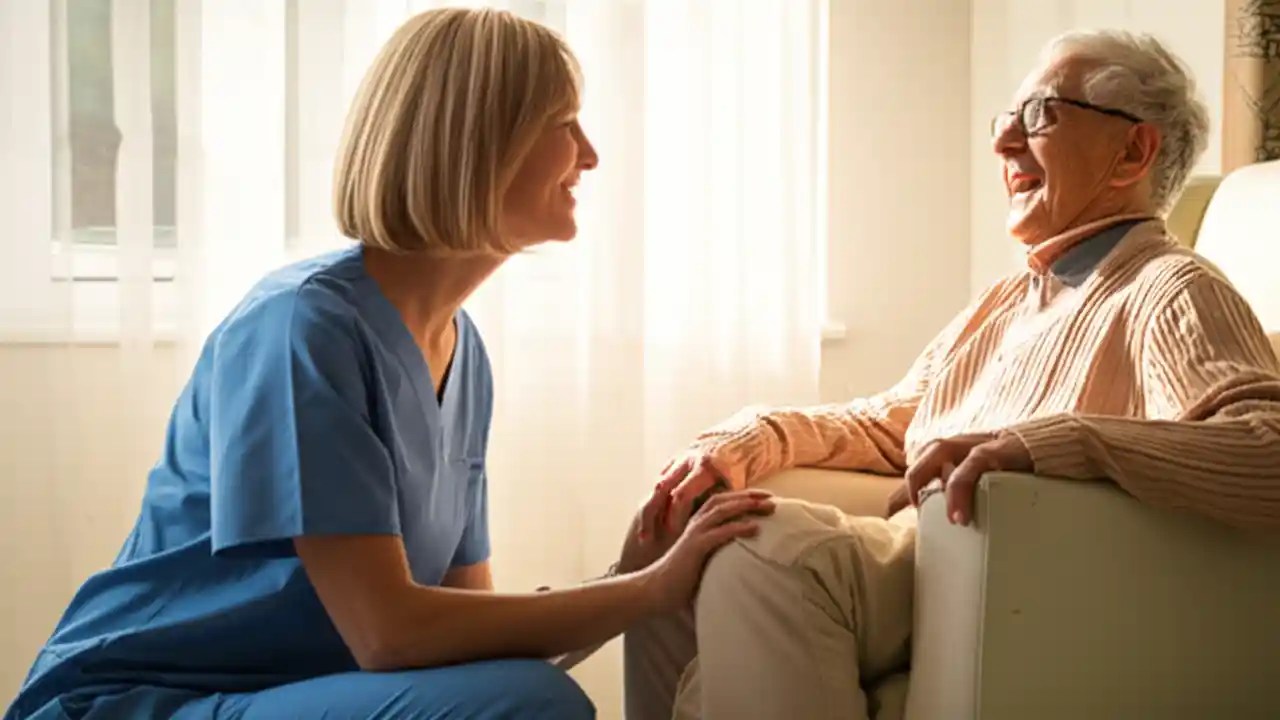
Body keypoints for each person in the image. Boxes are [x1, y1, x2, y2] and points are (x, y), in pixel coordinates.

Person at [6, 9, 774, 720]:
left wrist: (627, 573)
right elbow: (390, 636)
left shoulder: (458, 351)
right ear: (481, 141)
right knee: (534, 704)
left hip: (286, 698)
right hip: (143, 703)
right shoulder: (299, 329)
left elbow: (461, 637)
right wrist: (645, 594)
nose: (590, 155)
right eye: (564, 123)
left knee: (528, 696)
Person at [623, 29, 1280, 720]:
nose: (1003, 146)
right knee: (678, 526)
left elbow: (1267, 444)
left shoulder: (1171, 288)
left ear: (1133, 151)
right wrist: (745, 438)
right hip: (923, 559)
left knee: (764, 549)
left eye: (1040, 116)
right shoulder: (1005, 301)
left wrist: (1049, 444)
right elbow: (885, 426)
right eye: (1006, 122)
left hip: (1018, 571)